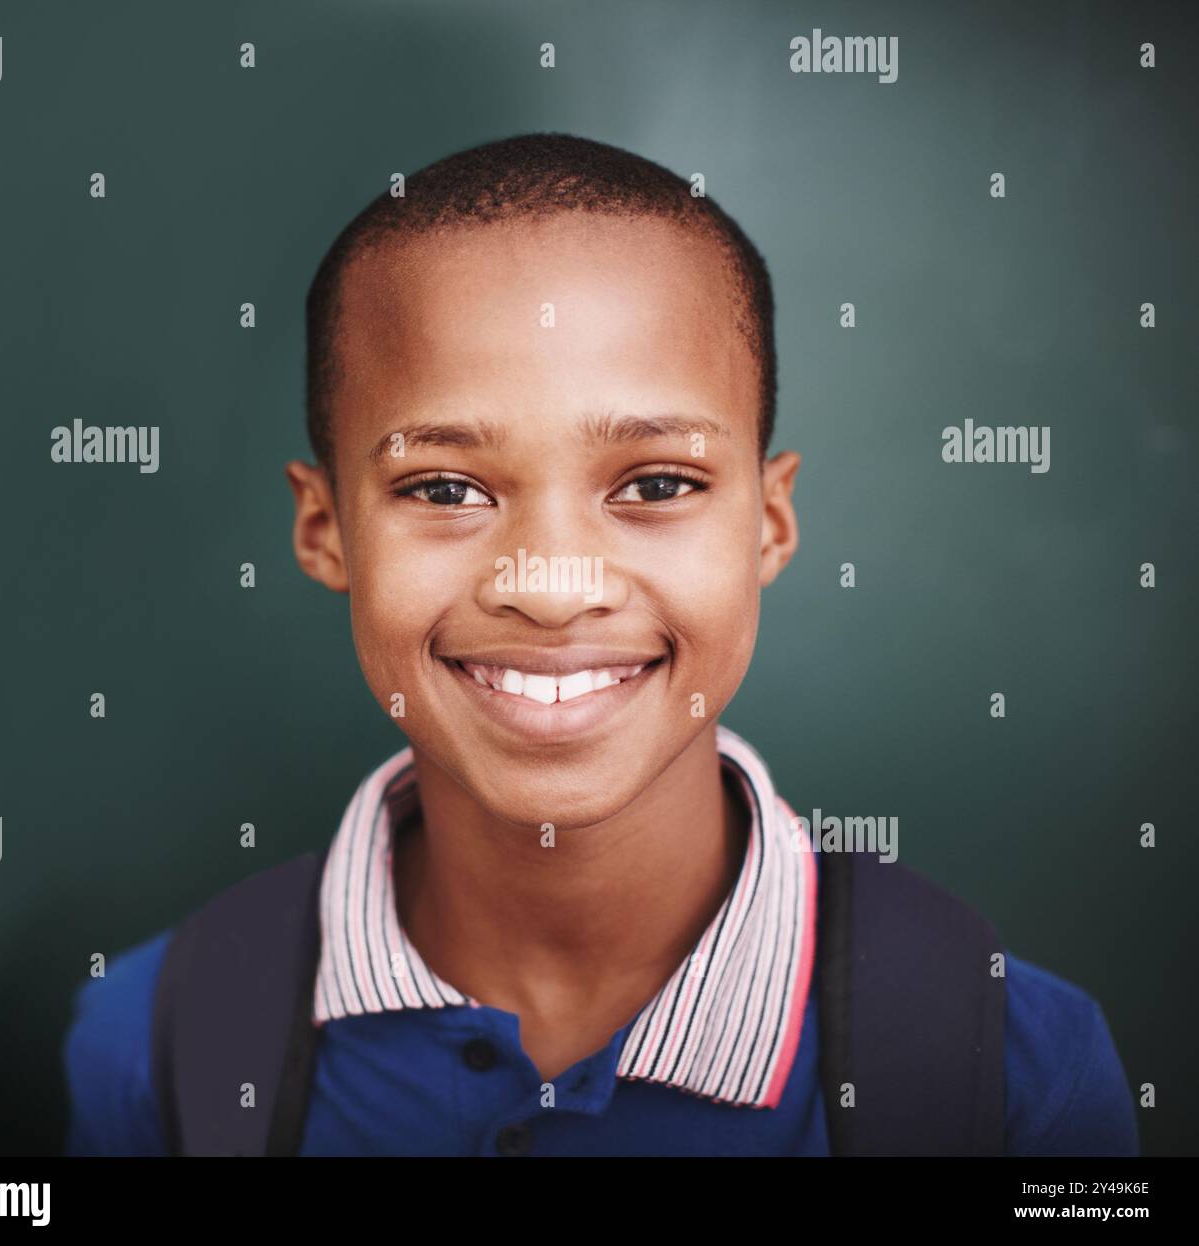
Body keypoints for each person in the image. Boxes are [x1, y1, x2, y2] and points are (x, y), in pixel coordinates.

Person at [62, 132, 1138, 1157]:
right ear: (325, 528)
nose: (553, 587)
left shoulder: (1010, 1072)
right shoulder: (159, 1044)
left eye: (657, 485)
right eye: (444, 488)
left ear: (769, 522)